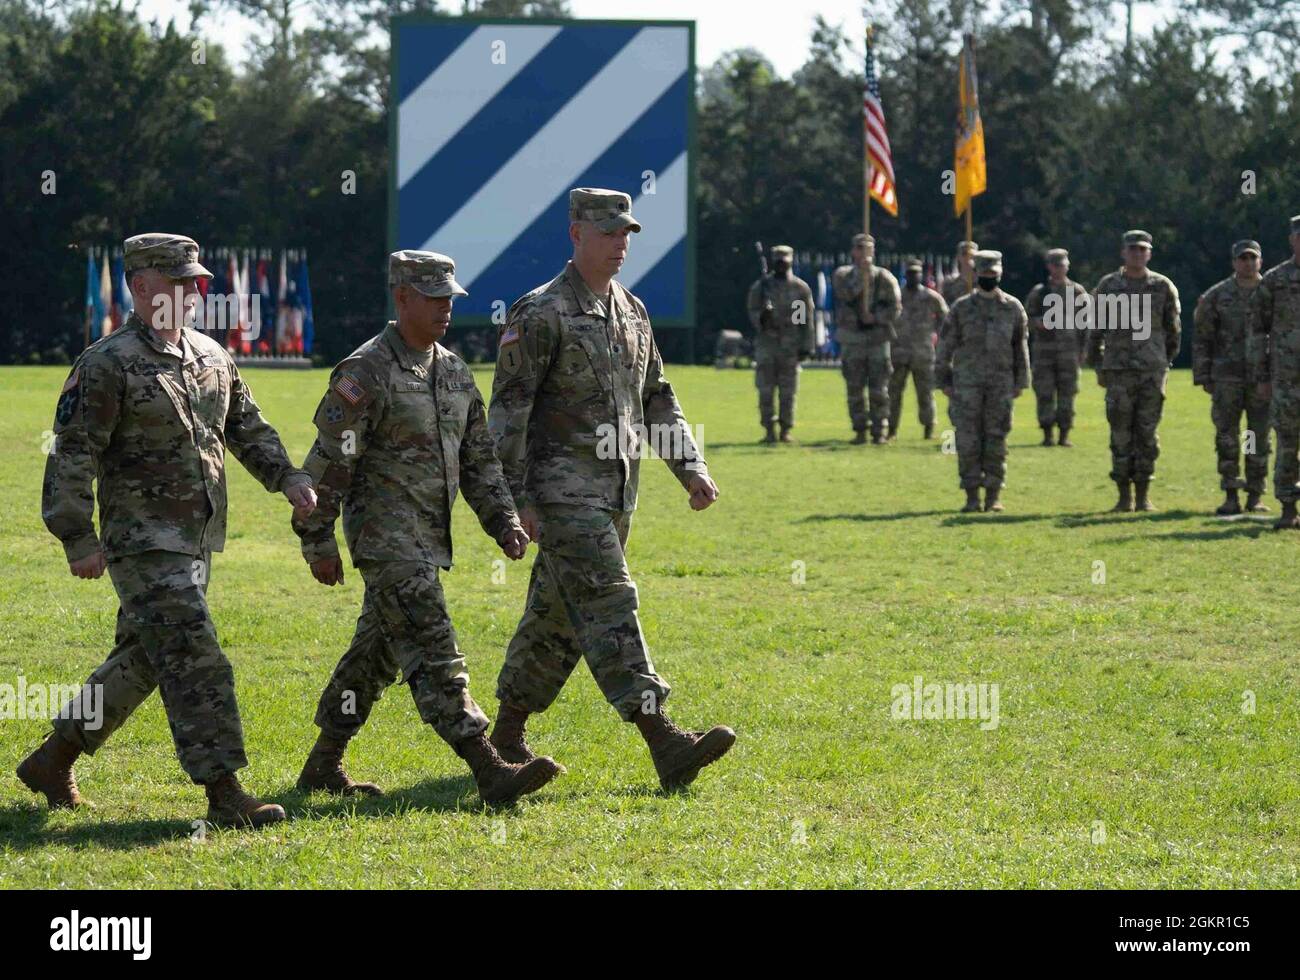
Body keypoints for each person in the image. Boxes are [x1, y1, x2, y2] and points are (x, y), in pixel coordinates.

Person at [24, 233, 316, 828]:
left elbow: (245, 425)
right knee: (192, 652)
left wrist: (286, 477)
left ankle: (53, 760)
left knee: (145, 657)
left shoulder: (211, 355)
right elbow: (72, 452)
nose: (193, 291)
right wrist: (77, 536)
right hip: (139, 540)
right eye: (179, 281)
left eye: (195, 281)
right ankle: (225, 790)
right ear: (139, 286)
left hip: (198, 540)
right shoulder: (107, 362)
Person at [292, 250, 561, 806]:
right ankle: (489, 768)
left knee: (375, 655)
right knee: (432, 646)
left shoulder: (455, 372)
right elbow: (329, 462)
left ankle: (322, 765)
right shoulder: (364, 371)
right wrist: (317, 540)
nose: (445, 309)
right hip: (386, 541)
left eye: (450, 299)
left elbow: (479, 462)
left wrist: (505, 521)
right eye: (434, 298)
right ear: (402, 298)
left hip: (428, 540)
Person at [487, 188, 734, 791]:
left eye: (626, 233)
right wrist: (514, 502)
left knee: (556, 619)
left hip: (617, 497)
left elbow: (656, 399)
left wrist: (690, 466)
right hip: (561, 496)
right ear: (576, 234)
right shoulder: (539, 313)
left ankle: (504, 736)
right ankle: (664, 739)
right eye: (607, 232)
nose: (620, 244)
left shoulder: (633, 312)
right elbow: (508, 414)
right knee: (609, 603)